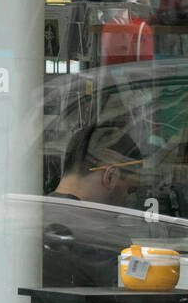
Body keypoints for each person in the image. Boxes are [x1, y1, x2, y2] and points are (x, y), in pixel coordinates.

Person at [42, 122, 145, 287]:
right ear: (110, 177)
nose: (128, 198)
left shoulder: (31, 216)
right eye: (131, 189)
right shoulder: (104, 235)